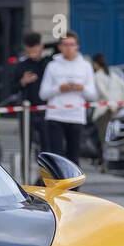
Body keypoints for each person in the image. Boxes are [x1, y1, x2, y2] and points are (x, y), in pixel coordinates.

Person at [39, 31, 96, 164]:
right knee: (57, 156)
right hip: (55, 115)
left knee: (74, 156)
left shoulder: (85, 66)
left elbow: (92, 95)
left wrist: (81, 88)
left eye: (72, 44)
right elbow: (43, 94)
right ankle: (58, 183)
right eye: (65, 45)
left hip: (76, 116)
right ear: (60, 47)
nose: (69, 48)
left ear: (77, 46)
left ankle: (73, 185)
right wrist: (59, 88)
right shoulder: (52, 66)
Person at [12, 32, 48, 153]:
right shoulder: (22, 65)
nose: (32, 53)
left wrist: (45, 46)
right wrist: (23, 81)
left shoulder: (48, 63)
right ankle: (25, 169)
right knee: (26, 144)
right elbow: (13, 87)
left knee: (46, 144)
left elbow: (59, 47)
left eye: (35, 50)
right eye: (30, 51)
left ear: (40, 47)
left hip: (45, 109)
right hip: (27, 109)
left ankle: (45, 171)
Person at [92, 53, 124, 165]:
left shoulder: (98, 76)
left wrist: (112, 105)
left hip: (104, 110)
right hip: (116, 109)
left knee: (104, 137)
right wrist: (123, 103)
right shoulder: (113, 74)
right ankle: (107, 160)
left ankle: (104, 162)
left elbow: (103, 93)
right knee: (113, 136)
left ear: (95, 64)